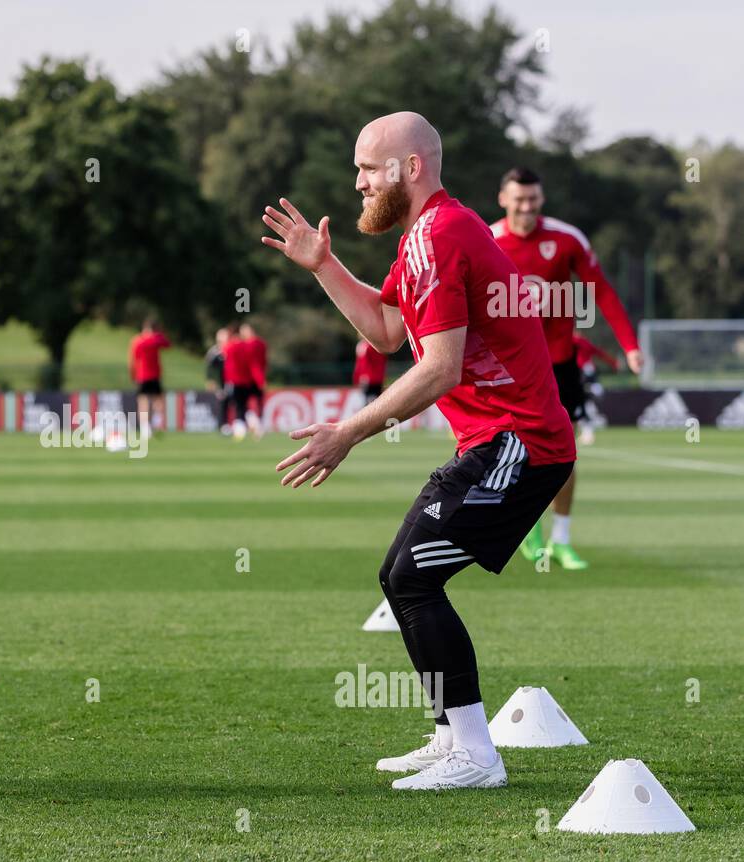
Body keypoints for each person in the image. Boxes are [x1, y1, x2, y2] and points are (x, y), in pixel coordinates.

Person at [261, 111, 575, 790]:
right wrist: (324, 265)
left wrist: (345, 432)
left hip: (521, 442)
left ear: (411, 168)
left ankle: (476, 756)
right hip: (506, 442)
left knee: (411, 576)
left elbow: (439, 368)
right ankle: (453, 738)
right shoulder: (429, 235)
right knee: (404, 576)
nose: (357, 184)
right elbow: (383, 330)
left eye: (368, 169)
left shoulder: (439, 235)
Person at [492, 167, 642, 570]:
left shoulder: (565, 238)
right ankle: (529, 531)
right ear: (503, 199)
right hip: (508, 368)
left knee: (564, 455)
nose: (527, 206)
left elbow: (602, 291)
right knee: (512, 452)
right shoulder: (486, 240)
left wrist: (630, 345)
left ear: (542, 199)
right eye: (519, 199)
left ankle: (562, 539)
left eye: (533, 199)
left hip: (559, 364)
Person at [572, 332, 618, 446]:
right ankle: (594, 390)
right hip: (587, 372)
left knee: (580, 404)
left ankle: (593, 390)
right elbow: (600, 353)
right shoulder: (584, 342)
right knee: (583, 404)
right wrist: (613, 363)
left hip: (581, 373)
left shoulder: (574, 341)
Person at [128, 319, 170, 437]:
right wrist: (159, 334)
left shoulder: (137, 340)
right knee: (156, 400)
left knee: (144, 401)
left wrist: (132, 375)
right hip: (151, 375)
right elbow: (167, 343)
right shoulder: (155, 339)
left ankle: (146, 426)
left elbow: (132, 360)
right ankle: (155, 423)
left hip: (142, 376)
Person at [222, 325, 256, 438]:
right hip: (246, 381)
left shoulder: (230, 346)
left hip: (234, 381)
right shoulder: (246, 346)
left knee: (237, 405)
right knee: (243, 405)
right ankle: (250, 423)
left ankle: (240, 429)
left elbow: (224, 355)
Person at [239, 322, 268, 434]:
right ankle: (256, 423)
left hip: (249, 379)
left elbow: (254, 364)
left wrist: (260, 378)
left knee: (244, 403)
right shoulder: (261, 343)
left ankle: (255, 424)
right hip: (255, 377)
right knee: (257, 402)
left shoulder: (250, 345)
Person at [353, 338, 387, 404]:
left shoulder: (362, 346)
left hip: (367, 379)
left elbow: (359, 365)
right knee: (378, 402)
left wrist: (356, 378)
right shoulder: (380, 346)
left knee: (368, 403)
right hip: (378, 378)